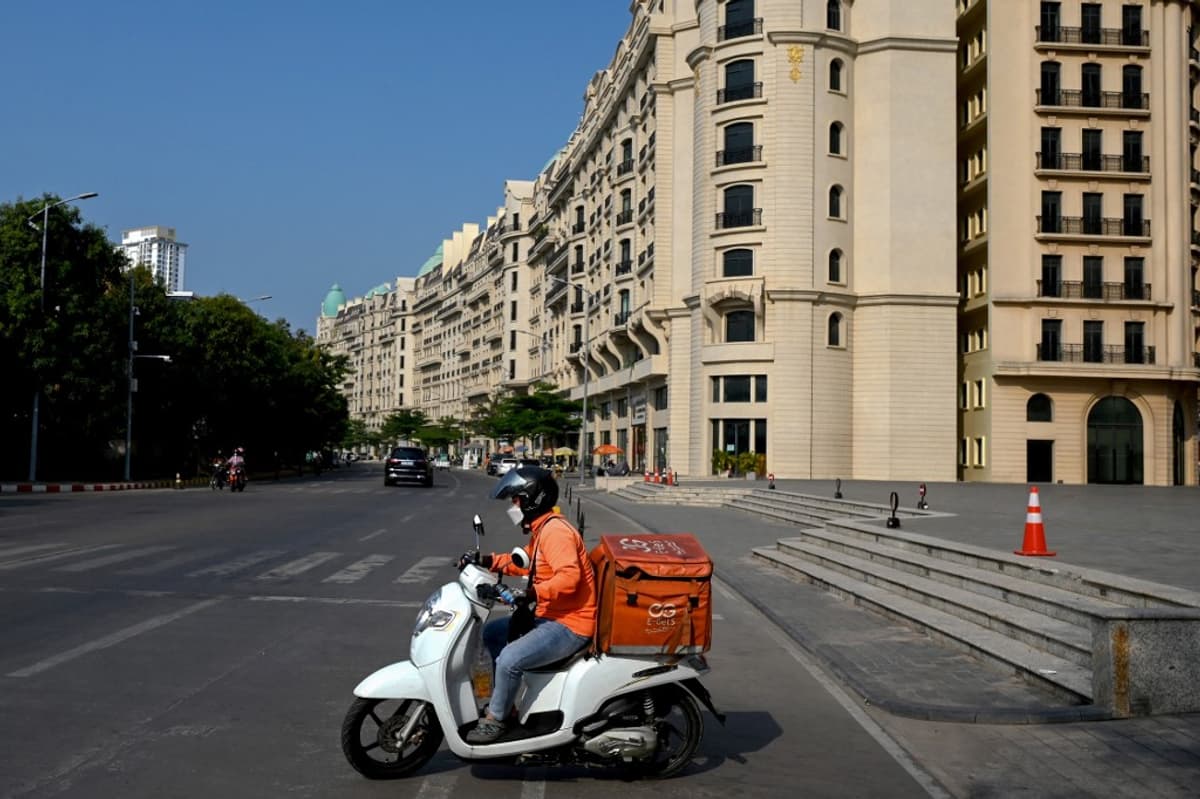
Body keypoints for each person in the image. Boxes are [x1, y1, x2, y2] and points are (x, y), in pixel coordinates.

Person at [462, 466, 597, 744]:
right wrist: (487, 561)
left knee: (509, 659)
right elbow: (523, 562)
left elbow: (569, 578)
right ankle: (507, 705)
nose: (514, 506)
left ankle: (497, 719)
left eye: (516, 500)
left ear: (532, 499)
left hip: (570, 624)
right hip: (551, 616)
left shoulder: (555, 532)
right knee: (493, 633)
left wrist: (532, 593)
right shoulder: (543, 529)